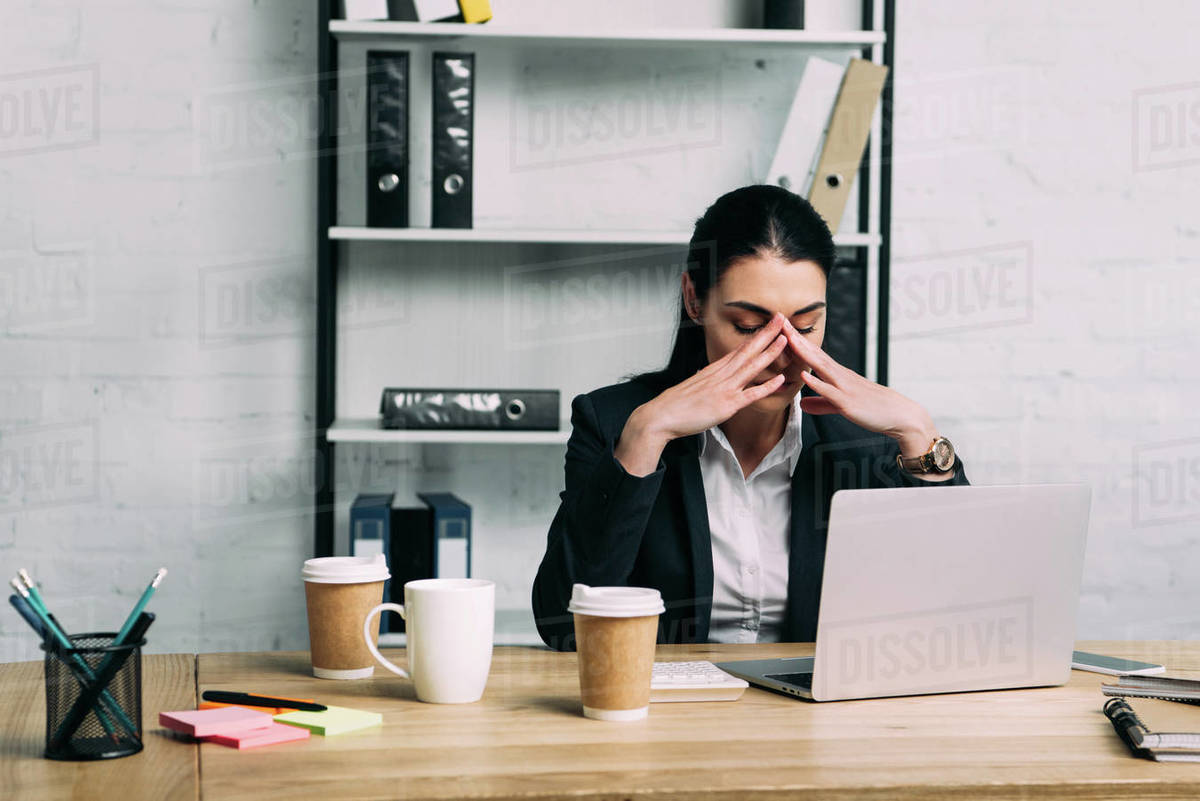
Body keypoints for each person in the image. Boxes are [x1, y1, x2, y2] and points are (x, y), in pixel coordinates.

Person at [532, 185, 969, 652]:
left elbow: (958, 611)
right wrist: (646, 435)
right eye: (747, 326)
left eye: (804, 328)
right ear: (694, 301)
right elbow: (563, 626)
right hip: (665, 715)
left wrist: (919, 432)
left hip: (815, 715)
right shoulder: (616, 422)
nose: (780, 355)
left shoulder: (866, 438)